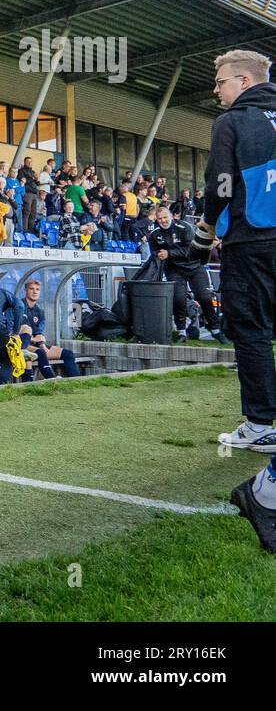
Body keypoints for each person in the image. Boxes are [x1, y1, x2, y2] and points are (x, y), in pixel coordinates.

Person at [190, 50, 276, 551]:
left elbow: (219, 180)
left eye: (221, 82)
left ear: (243, 81)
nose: (217, 90)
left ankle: (262, 424)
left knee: (251, 331)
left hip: (252, 240)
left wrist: (206, 226)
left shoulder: (233, 121)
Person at [147, 206, 220, 339]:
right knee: (179, 299)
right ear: (156, 220)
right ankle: (181, 331)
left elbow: (190, 249)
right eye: (160, 219)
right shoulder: (154, 234)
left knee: (204, 297)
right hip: (174, 269)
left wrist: (169, 253)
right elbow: (155, 252)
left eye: (165, 217)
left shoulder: (184, 227)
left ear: (171, 216)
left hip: (194, 266)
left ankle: (215, 329)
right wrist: (159, 254)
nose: (163, 221)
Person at [17, 279, 80, 380]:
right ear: (25, 290)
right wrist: (39, 343)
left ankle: (77, 381)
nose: (34, 292)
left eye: (37, 289)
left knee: (68, 354)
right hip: (21, 345)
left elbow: (39, 333)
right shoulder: (19, 306)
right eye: (31, 289)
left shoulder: (39, 311)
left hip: (36, 345)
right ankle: (51, 380)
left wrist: (41, 343)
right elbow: (21, 330)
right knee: (40, 352)